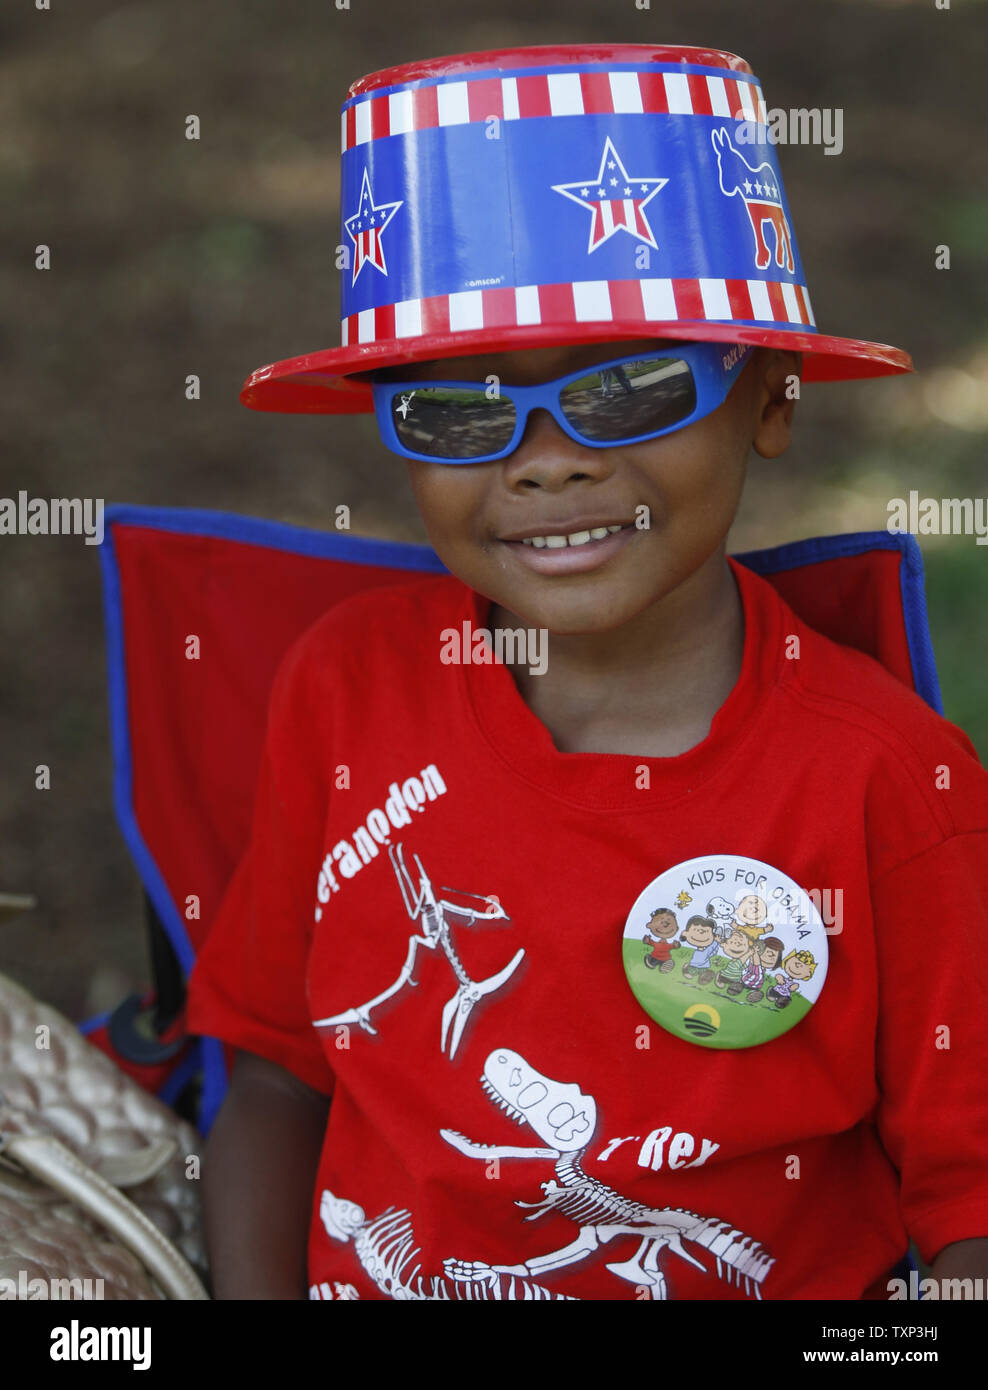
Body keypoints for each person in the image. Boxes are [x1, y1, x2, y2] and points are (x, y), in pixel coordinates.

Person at [185, 44, 988, 1301]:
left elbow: (969, 1192)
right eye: (457, 408)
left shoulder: (889, 782)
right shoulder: (344, 688)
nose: (545, 462)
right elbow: (278, 1071)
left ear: (771, 399)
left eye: (629, 388)